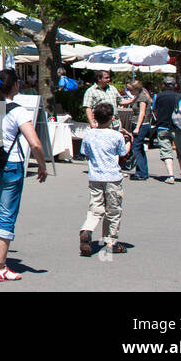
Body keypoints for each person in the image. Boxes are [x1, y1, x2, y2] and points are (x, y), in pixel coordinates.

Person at [0, 69, 47, 283]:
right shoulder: (18, 111)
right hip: (10, 165)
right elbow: (35, 142)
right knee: (7, 213)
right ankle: (0, 266)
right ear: (15, 85)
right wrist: (42, 166)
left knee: (3, 210)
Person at [79, 102, 131, 256]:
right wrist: (129, 140)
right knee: (113, 210)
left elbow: (84, 152)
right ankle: (111, 241)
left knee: (95, 207)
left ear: (94, 117)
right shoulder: (116, 135)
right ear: (112, 118)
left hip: (95, 176)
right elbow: (123, 153)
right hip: (112, 177)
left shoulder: (89, 134)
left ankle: (87, 229)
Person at [150, 77, 181, 183]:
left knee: (166, 152)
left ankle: (170, 175)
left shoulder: (157, 96)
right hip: (177, 127)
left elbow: (154, 110)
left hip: (162, 126)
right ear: (175, 86)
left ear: (163, 85)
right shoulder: (180, 97)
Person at [125, 79, 153, 181]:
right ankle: (142, 171)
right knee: (140, 148)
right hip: (139, 125)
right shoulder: (139, 96)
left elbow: (142, 113)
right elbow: (129, 101)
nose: (129, 92)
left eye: (130, 89)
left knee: (136, 148)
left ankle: (141, 172)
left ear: (136, 89)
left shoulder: (142, 98)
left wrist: (137, 128)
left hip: (141, 125)